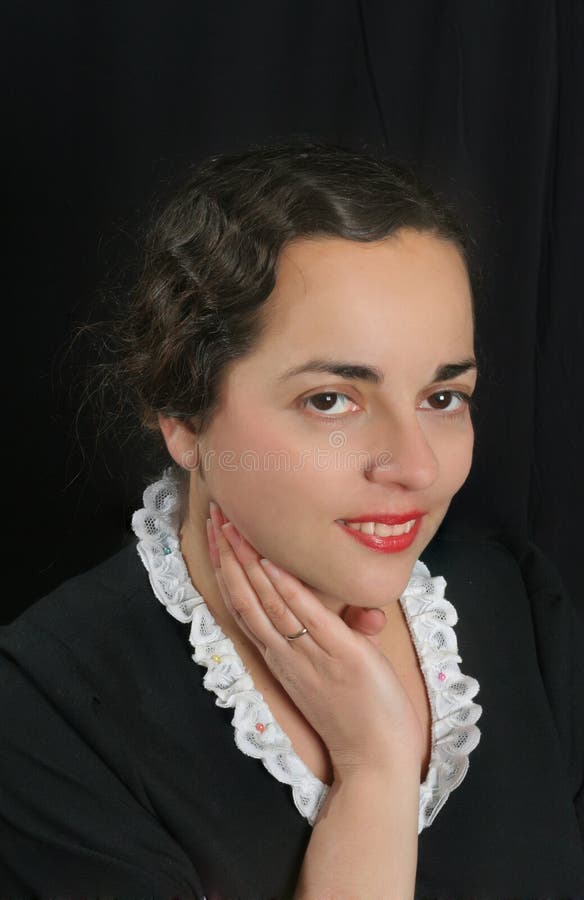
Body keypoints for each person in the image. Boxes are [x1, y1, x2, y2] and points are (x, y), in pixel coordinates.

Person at [1, 143, 583, 900]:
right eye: (331, 399)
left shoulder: (521, 606)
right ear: (182, 415)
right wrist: (374, 775)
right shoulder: (45, 715)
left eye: (443, 398)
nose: (415, 468)